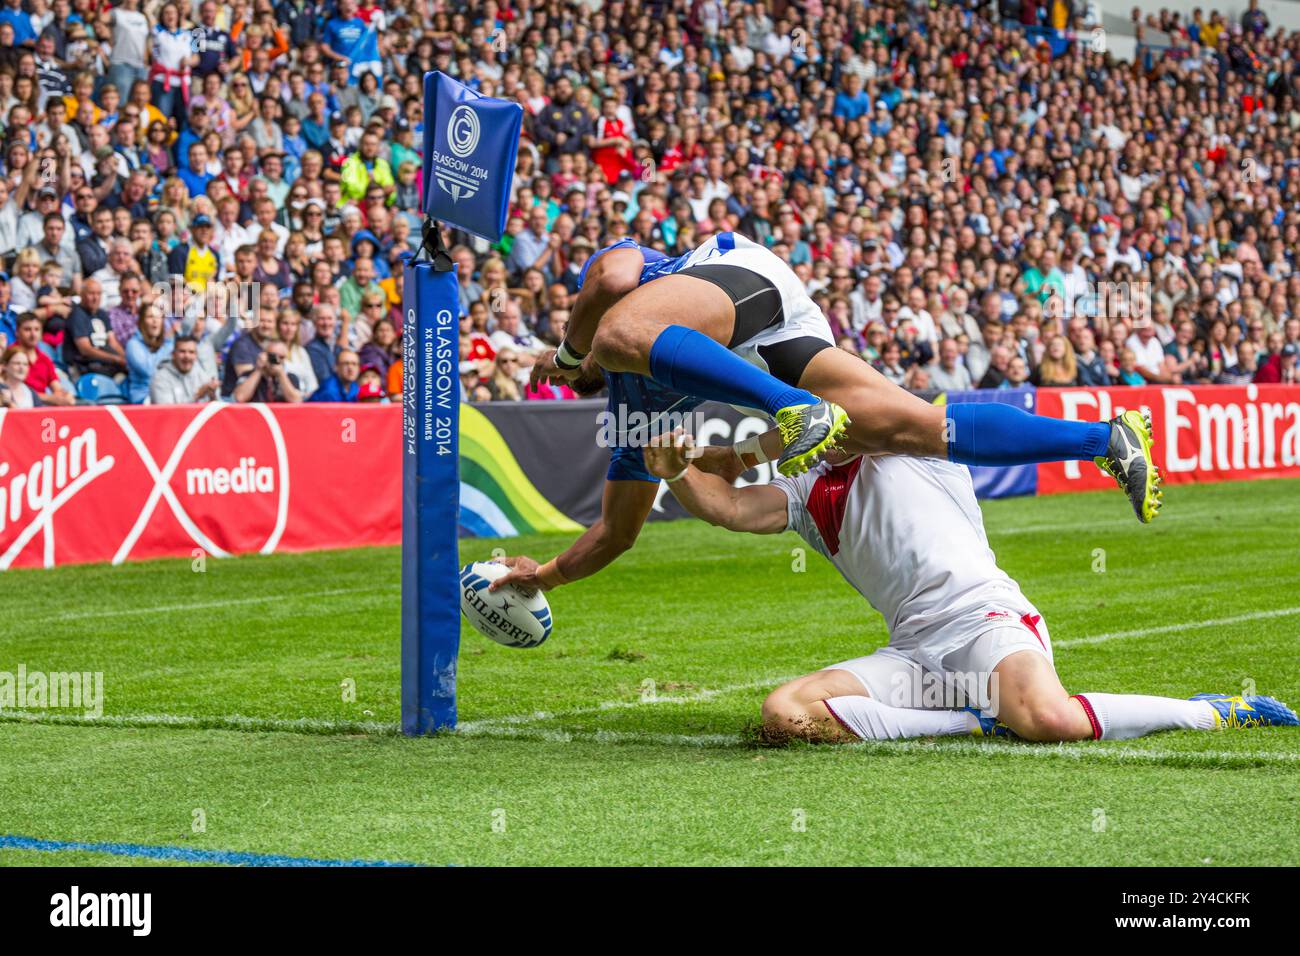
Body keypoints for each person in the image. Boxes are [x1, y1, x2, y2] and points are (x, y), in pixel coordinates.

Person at [637, 429, 1299, 744]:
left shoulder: (905, 437)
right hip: (916, 657)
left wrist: (746, 447)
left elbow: (845, 416)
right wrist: (673, 469)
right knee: (787, 713)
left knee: (1050, 719)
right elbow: (727, 507)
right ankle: (973, 722)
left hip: (987, 622)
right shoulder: (805, 496)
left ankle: (1216, 710)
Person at [536, 233, 1163, 522]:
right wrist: (734, 457)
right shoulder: (634, 405)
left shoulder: (626, 292)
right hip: (776, 337)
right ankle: (1104, 440)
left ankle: (787, 405)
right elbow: (617, 532)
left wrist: (566, 358)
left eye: (594, 369)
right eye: (592, 374)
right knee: (907, 427)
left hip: (743, 276)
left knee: (624, 339)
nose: (600, 369)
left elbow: (612, 285)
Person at [64, 278, 126, 377]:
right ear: (82, 294)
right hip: (85, 366)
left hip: (106, 363)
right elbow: (85, 350)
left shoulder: (102, 314)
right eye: (91, 293)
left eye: (98, 294)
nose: (95, 298)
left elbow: (113, 342)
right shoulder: (77, 315)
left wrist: (126, 359)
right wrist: (116, 359)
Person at [150, 333, 221, 404]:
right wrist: (197, 395)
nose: (187, 356)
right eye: (182, 351)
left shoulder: (200, 373)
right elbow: (166, 412)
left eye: (191, 352)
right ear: (173, 354)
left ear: (196, 355)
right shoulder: (160, 378)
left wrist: (213, 396)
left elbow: (214, 408)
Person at [124, 302, 174, 403]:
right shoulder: (133, 345)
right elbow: (149, 371)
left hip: (168, 392)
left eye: (158, 317)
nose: (155, 320)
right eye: (150, 316)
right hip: (143, 397)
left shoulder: (167, 344)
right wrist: (167, 346)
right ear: (141, 321)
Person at [232, 338, 303, 403]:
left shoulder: (291, 378)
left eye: (281, 357)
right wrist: (259, 370)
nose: (277, 360)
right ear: (264, 354)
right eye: (273, 356)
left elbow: (296, 401)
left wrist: (281, 374)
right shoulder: (248, 375)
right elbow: (239, 398)